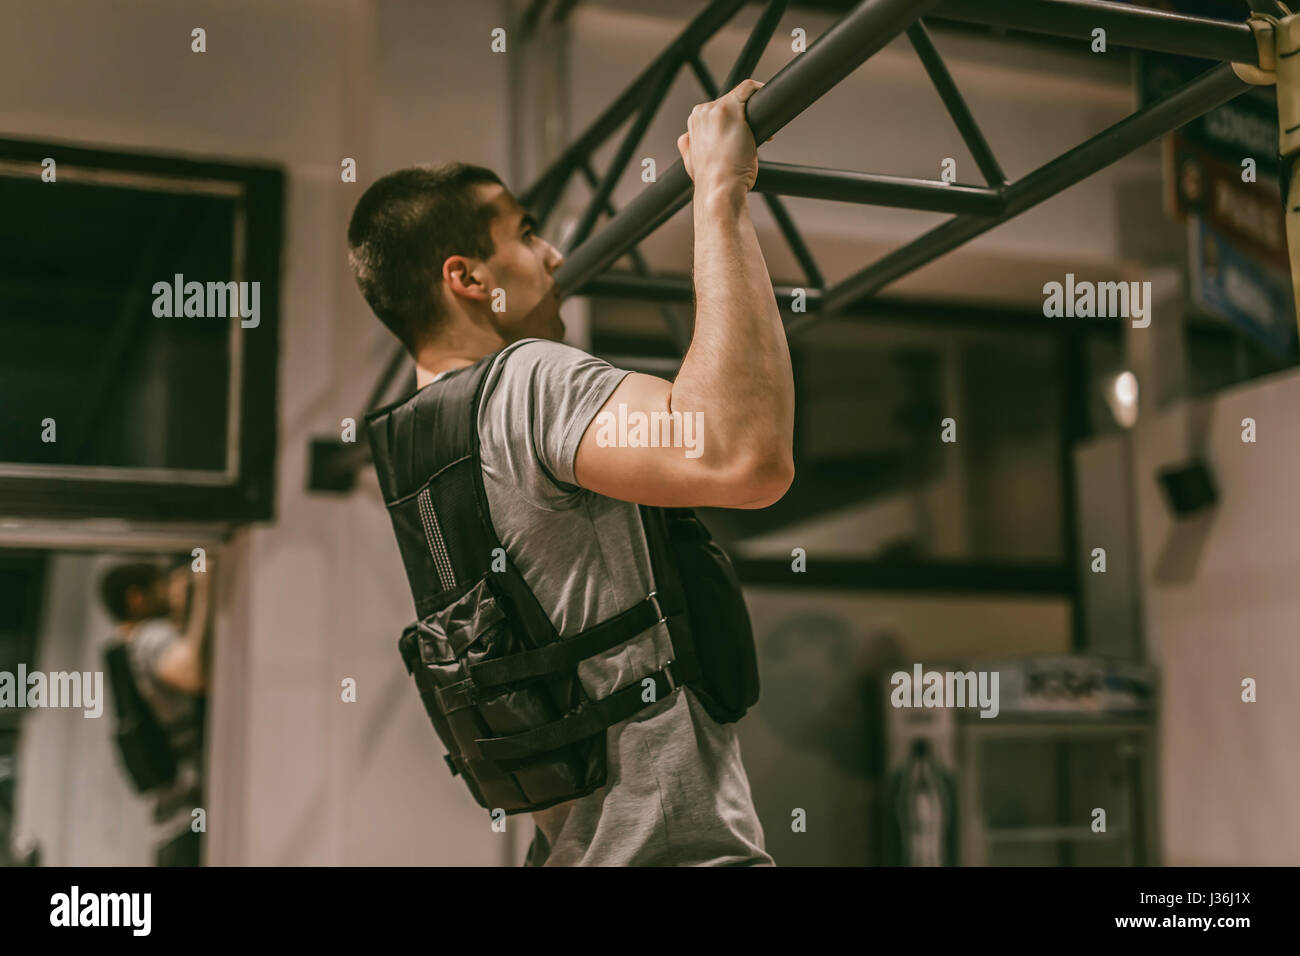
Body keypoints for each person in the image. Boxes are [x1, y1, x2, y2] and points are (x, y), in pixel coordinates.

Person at [347, 78, 793, 865]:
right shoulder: (525, 381)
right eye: (524, 235)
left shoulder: (414, 447)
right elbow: (742, 453)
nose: (553, 254)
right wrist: (720, 192)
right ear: (469, 280)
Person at [98, 559, 211, 866]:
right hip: (191, 812)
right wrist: (202, 594)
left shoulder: (125, 649)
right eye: (162, 586)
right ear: (137, 598)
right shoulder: (150, 637)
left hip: (173, 822)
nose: (169, 592)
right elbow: (192, 673)